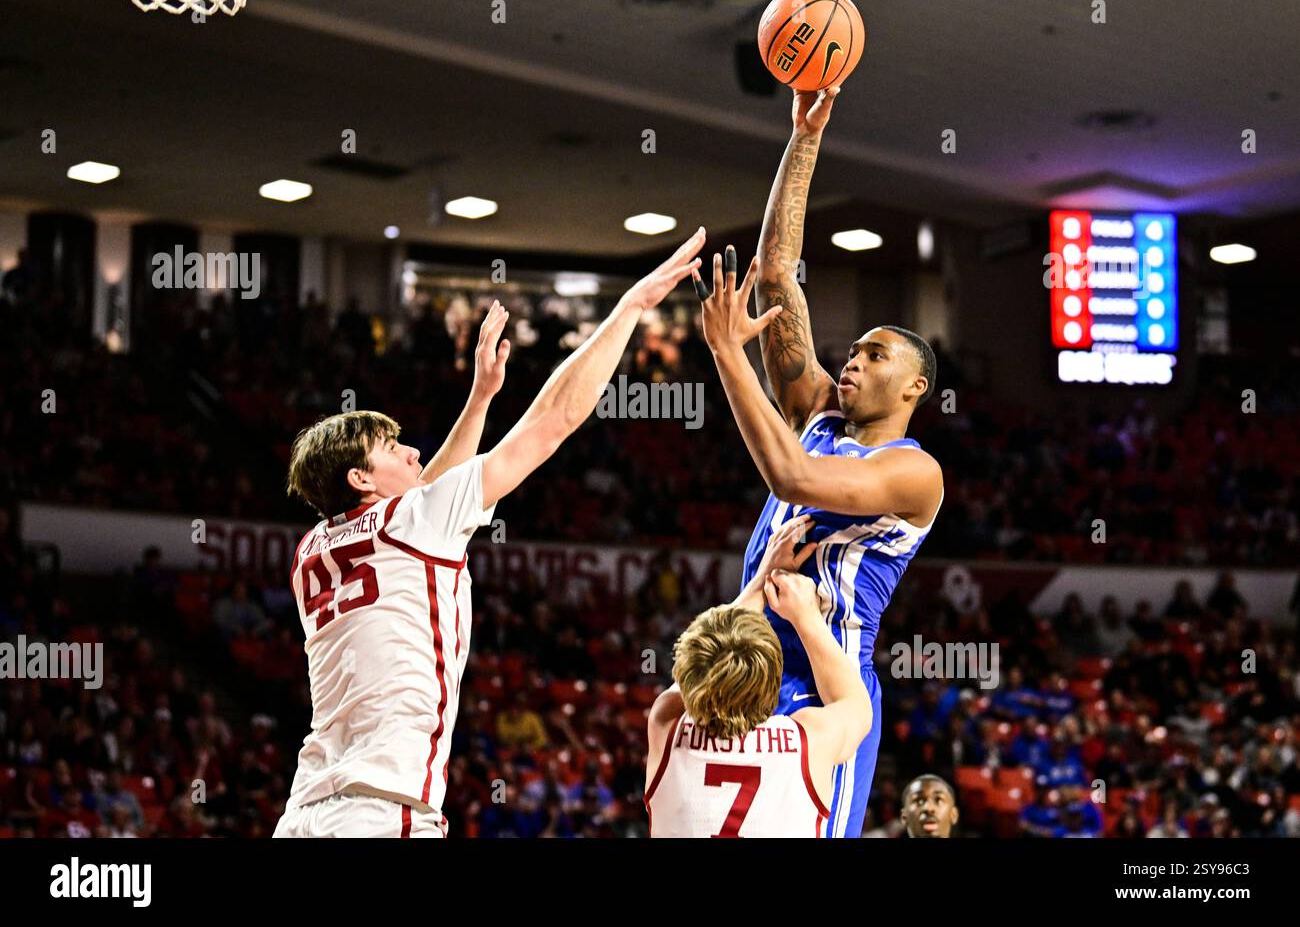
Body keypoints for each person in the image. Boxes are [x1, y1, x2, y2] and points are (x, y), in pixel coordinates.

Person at [274, 231, 706, 838]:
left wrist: (479, 398)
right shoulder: (412, 522)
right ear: (360, 478)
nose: (412, 452)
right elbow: (553, 422)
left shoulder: (312, 550)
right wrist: (630, 307)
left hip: (305, 810)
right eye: (393, 449)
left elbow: (428, 496)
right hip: (383, 808)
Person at [695, 84, 943, 838]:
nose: (852, 362)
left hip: (825, 684)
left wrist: (726, 357)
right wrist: (804, 136)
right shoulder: (817, 413)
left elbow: (792, 480)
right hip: (747, 660)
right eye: (854, 349)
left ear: (915, 387)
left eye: (875, 355)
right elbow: (777, 273)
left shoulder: (915, 472)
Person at [644, 517, 872, 837]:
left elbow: (694, 668)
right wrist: (807, 617)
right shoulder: (807, 740)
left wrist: (758, 583)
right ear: (771, 687)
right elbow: (857, 706)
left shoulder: (666, 724)